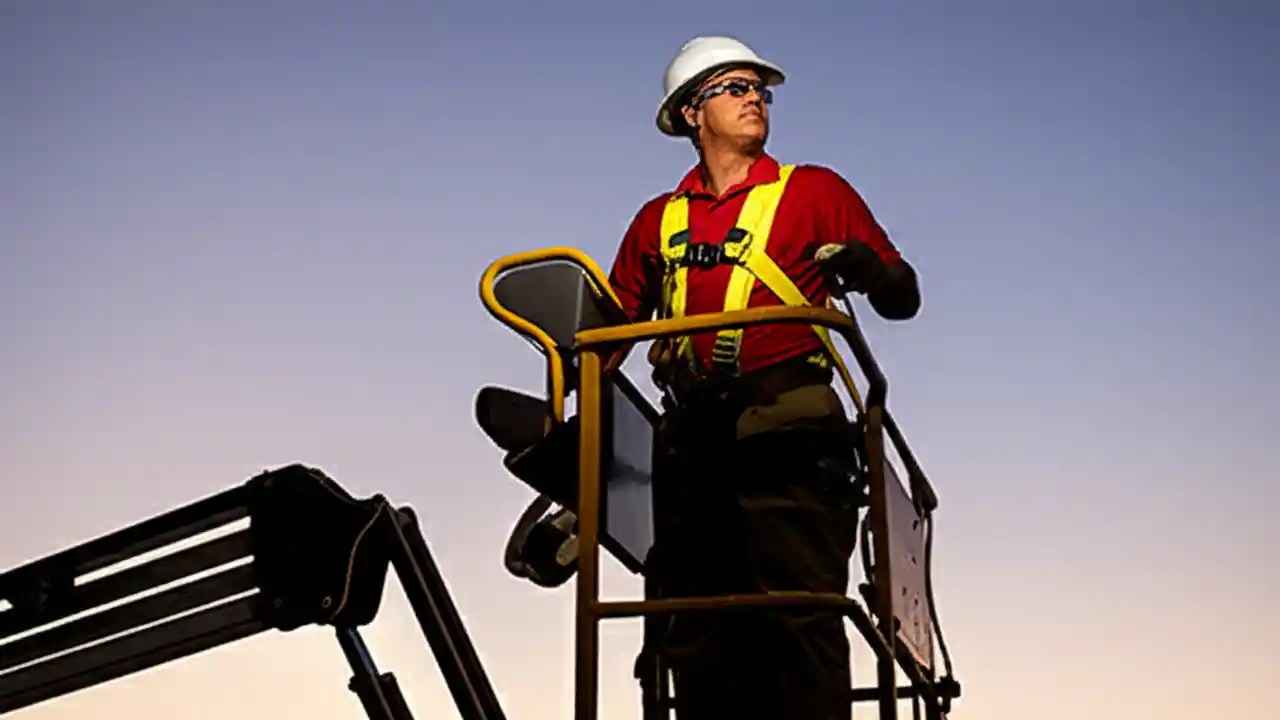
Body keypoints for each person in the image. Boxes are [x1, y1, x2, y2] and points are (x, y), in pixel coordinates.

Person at [606, 36, 922, 719]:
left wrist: (872, 271)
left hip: (791, 425)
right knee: (695, 625)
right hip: (692, 442)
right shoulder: (657, 222)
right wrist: (562, 392)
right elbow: (608, 334)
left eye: (760, 89)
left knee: (799, 613)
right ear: (693, 112)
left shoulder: (814, 191)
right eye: (736, 87)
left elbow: (904, 296)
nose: (756, 98)